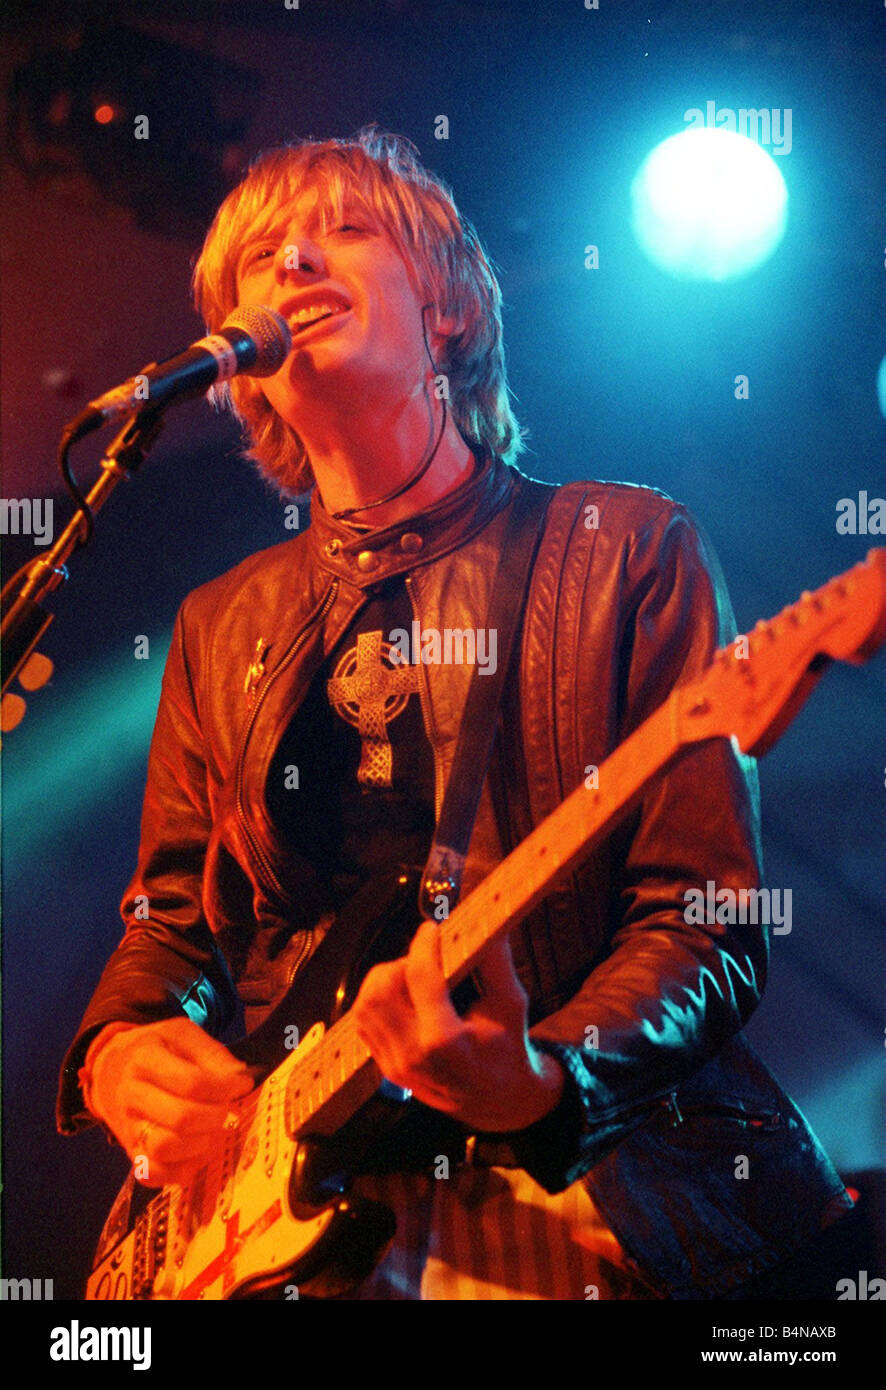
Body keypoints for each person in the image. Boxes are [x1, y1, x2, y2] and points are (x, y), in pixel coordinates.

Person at [57, 125, 852, 1300]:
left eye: (344, 229)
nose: (294, 265)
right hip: (286, 1232)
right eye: (263, 254)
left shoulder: (624, 548)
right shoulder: (220, 622)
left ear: (450, 315)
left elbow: (704, 917)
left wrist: (546, 1081)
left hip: (572, 1201)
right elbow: (175, 917)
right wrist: (121, 1051)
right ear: (239, 366)